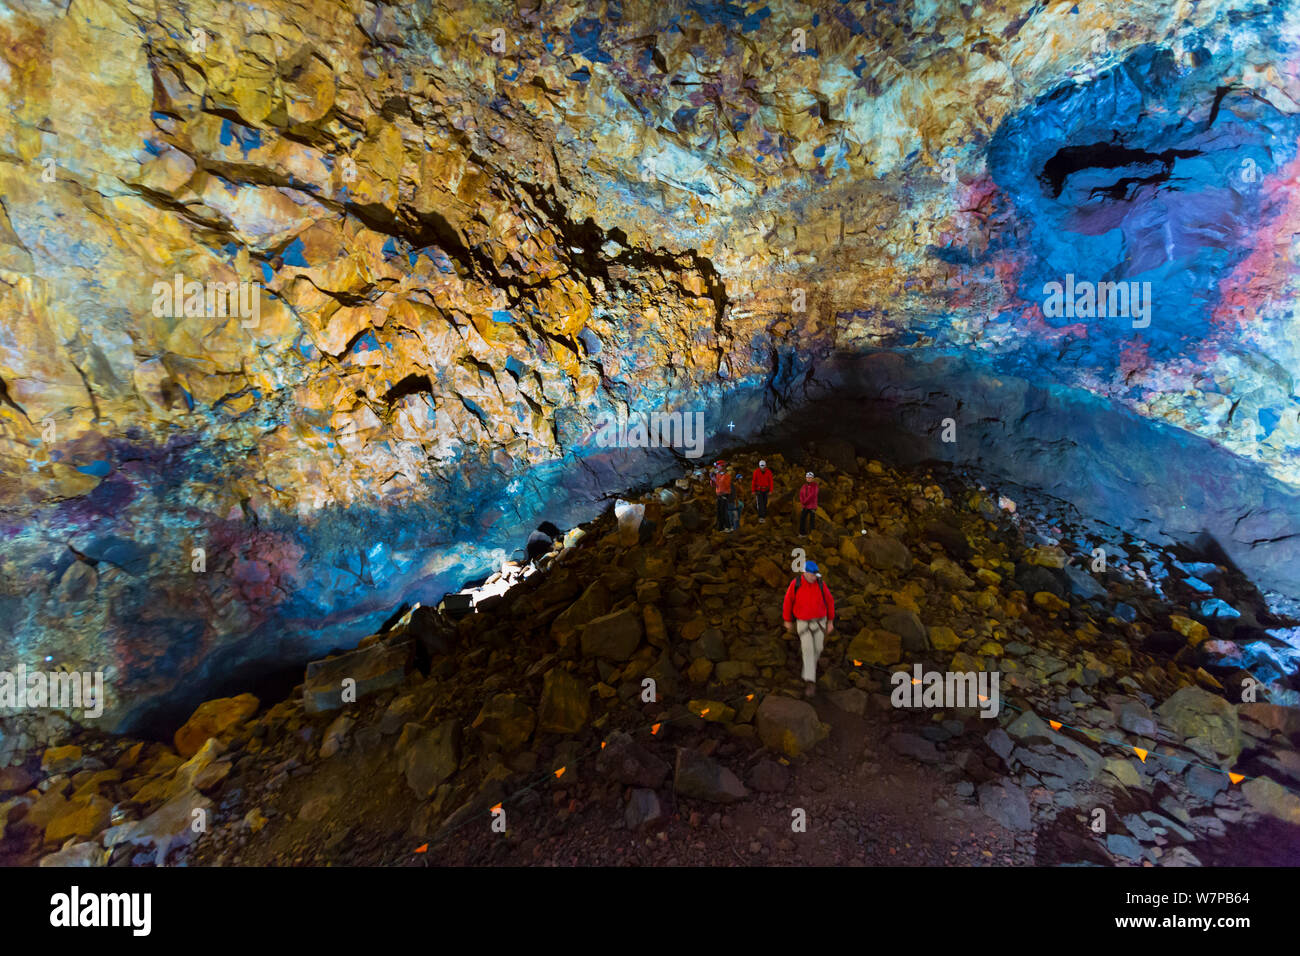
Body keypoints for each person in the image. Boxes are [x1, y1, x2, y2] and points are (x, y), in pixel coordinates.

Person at [782, 560, 835, 697]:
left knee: (818, 649)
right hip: (803, 623)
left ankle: (808, 668)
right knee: (808, 650)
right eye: (812, 575)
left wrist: (830, 622)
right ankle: (810, 681)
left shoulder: (820, 584)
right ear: (804, 572)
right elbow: (788, 601)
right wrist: (787, 620)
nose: (814, 577)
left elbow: (829, 601)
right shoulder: (796, 584)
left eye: (815, 575)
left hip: (820, 622)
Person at [711, 461, 734, 532]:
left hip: (725, 495)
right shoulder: (718, 475)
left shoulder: (727, 476)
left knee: (724, 512)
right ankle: (721, 527)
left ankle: (728, 527)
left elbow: (724, 486)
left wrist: (715, 479)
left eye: (719, 466)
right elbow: (715, 485)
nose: (717, 468)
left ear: (723, 467)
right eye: (717, 467)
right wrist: (712, 480)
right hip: (719, 495)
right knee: (719, 512)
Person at [797, 471, 819, 536]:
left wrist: (805, 501)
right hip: (805, 506)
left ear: (813, 478)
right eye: (807, 477)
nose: (809, 479)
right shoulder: (804, 486)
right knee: (802, 518)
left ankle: (812, 535)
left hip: (812, 506)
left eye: (810, 478)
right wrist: (802, 501)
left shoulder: (815, 486)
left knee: (812, 521)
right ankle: (802, 533)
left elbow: (812, 495)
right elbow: (801, 494)